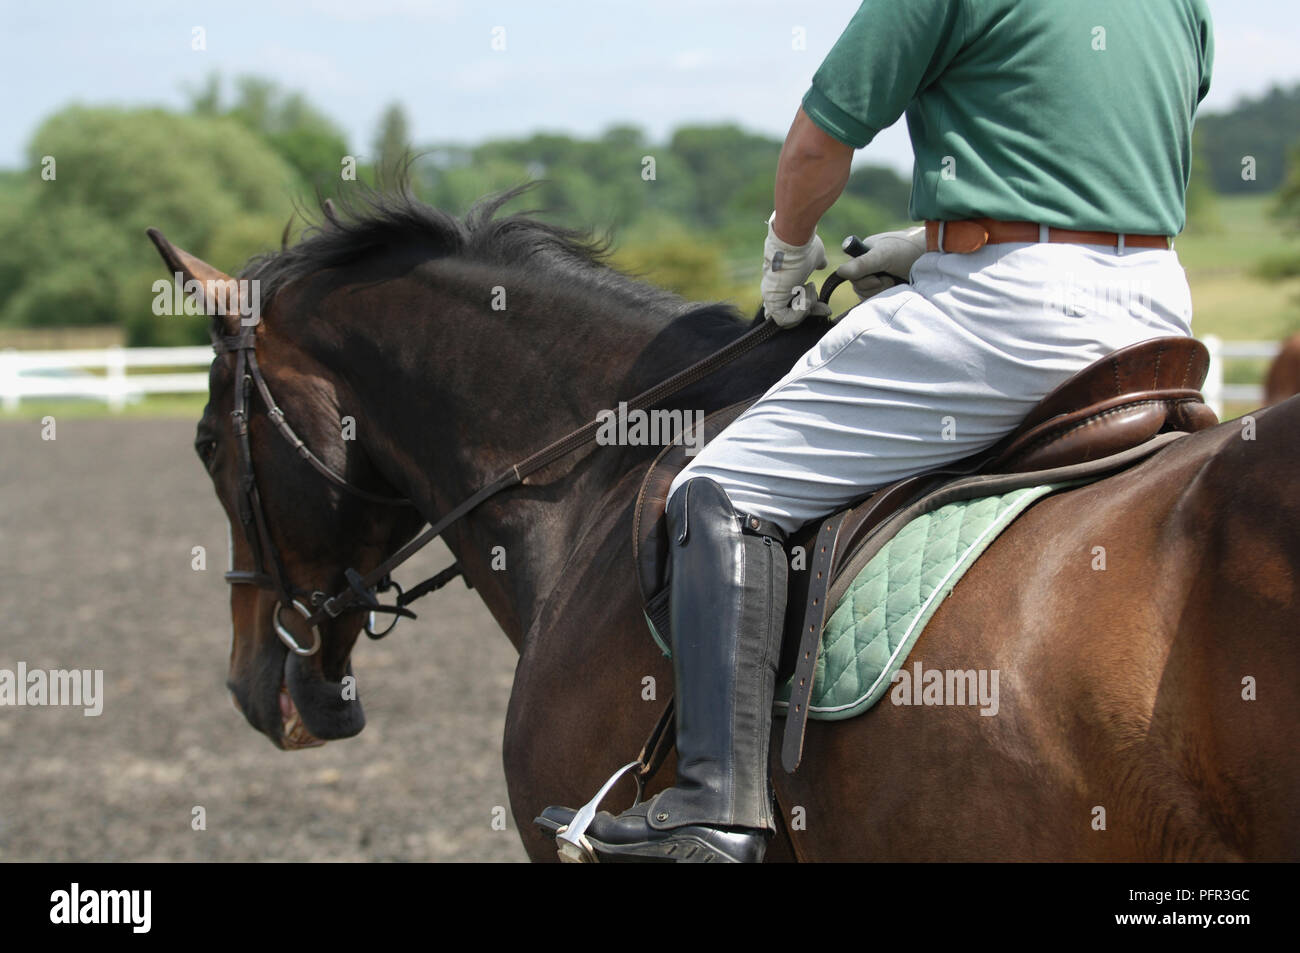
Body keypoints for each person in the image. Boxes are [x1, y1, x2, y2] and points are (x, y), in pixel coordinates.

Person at [541, 0, 1214, 862]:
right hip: (1158, 308)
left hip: (1010, 316)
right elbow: (1097, 151)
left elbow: (818, 144)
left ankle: (713, 808)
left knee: (720, 487)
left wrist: (790, 250)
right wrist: (932, 241)